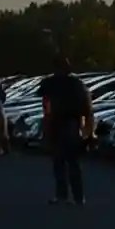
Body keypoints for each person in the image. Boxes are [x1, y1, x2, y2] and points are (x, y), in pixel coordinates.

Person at [39, 55, 94, 206]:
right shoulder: (76, 84)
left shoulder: (54, 83)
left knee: (61, 160)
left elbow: (46, 104)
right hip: (69, 123)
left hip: (62, 122)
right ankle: (76, 197)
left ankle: (65, 195)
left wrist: (46, 124)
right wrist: (88, 128)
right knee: (69, 161)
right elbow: (87, 107)